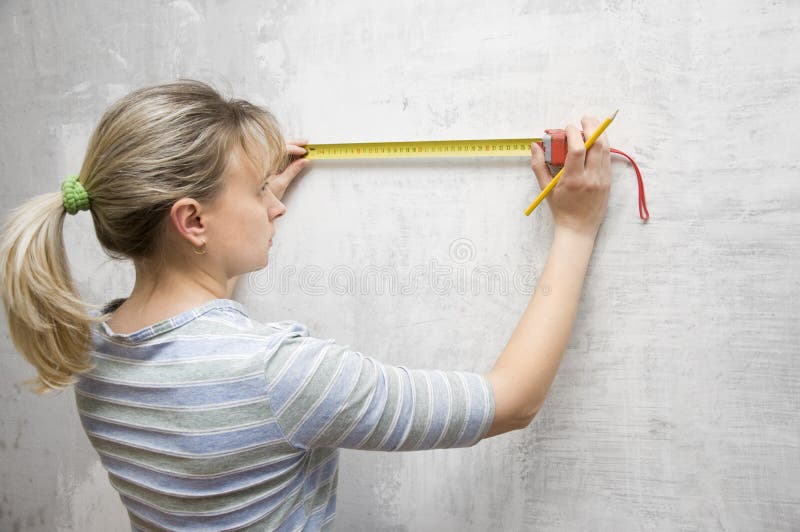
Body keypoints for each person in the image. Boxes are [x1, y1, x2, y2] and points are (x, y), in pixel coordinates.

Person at [0, 79, 610, 531]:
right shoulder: (285, 375)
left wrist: (239, 217)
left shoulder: (91, 354)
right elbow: (513, 400)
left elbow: (196, 339)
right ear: (191, 221)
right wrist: (576, 229)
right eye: (259, 190)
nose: (277, 206)